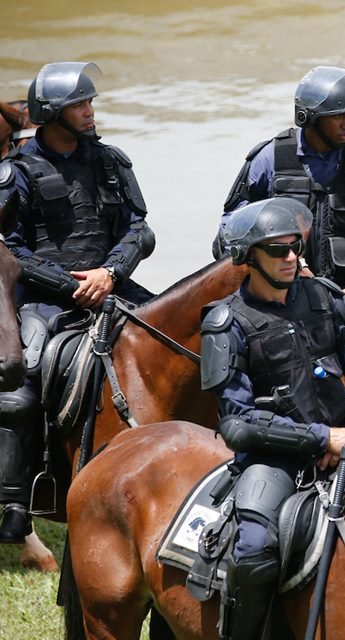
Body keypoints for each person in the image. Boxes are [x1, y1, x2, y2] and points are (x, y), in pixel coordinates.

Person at [200, 197, 345, 640]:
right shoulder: (225, 323)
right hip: (273, 462)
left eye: (295, 248)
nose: (292, 258)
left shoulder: (325, 298)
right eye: (278, 250)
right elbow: (237, 425)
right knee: (252, 552)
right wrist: (321, 439)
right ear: (247, 258)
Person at [0, 62, 156, 542]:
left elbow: (139, 229)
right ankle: (12, 500)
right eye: (80, 105)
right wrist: (73, 286)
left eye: (90, 103)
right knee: (23, 376)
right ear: (51, 113)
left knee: (179, 335)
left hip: (111, 285)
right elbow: (8, 248)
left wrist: (110, 273)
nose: (90, 112)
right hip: (45, 299)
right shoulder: (17, 172)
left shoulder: (112, 161)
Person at [217, 65, 345, 308]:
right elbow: (229, 236)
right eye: (338, 116)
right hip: (283, 289)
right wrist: (286, 271)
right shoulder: (271, 158)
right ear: (308, 117)